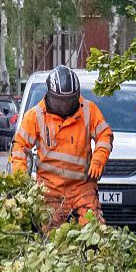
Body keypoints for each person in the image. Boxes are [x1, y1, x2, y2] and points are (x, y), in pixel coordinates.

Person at [10, 66, 113, 231]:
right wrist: (21, 177)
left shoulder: (88, 110)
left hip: (82, 187)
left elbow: (104, 136)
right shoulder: (36, 116)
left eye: (69, 100)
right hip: (50, 191)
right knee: (51, 237)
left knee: (93, 231)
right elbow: (19, 147)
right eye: (60, 101)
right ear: (50, 95)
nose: (65, 106)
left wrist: (99, 158)